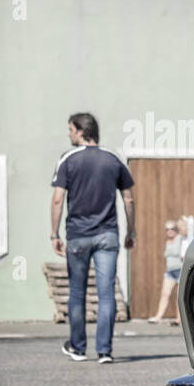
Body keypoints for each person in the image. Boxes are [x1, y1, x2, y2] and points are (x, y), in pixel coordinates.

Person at [50, 113, 135, 364]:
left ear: (80, 131)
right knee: (106, 292)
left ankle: (77, 348)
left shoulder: (68, 159)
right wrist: (132, 231)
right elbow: (128, 198)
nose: (68, 134)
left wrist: (53, 233)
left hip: (77, 236)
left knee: (77, 291)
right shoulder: (114, 159)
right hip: (107, 235)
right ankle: (104, 351)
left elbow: (57, 199)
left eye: (70, 129)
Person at [148, 219, 186, 324]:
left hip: (180, 271)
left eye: (172, 229)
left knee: (179, 296)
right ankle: (158, 317)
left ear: (176, 229)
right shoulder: (167, 242)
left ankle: (179, 319)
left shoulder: (181, 239)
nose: (170, 231)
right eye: (167, 229)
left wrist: (182, 223)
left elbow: (185, 229)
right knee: (165, 294)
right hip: (170, 272)